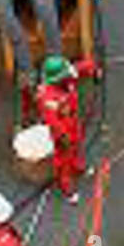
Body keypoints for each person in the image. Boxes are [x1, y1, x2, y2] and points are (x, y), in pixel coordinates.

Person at [35, 55, 98, 204]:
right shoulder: (46, 98)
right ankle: (66, 185)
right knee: (63, 159)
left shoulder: (67, 79)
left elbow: (84, 66)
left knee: (77, 146)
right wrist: (63, 136)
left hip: (73, 122)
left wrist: (94, 70)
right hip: (62, 130)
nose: (69, 77)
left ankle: (78, 166)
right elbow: (53, 121)